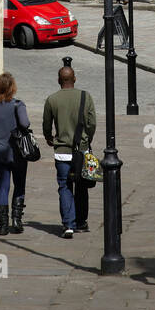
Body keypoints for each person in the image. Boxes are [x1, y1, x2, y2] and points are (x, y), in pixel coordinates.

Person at [42, 65, 96, 238]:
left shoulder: (52, 99)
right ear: (74, 79)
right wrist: (87, 139)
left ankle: (68, 224)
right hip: (81, 150)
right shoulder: (85, 97)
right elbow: (91, 123)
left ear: (59, 80)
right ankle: (81, 222)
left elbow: (46, 123)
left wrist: (49, 137)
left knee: (64, 186)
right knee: (82, 186)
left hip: (62, 151)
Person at [0, 72, 31, 235]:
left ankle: (2, 225)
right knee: (19, 185)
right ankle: (17, 221)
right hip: (17, 152)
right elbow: (25, 124)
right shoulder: (18, 105)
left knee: (2, 188)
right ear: (12, 88)